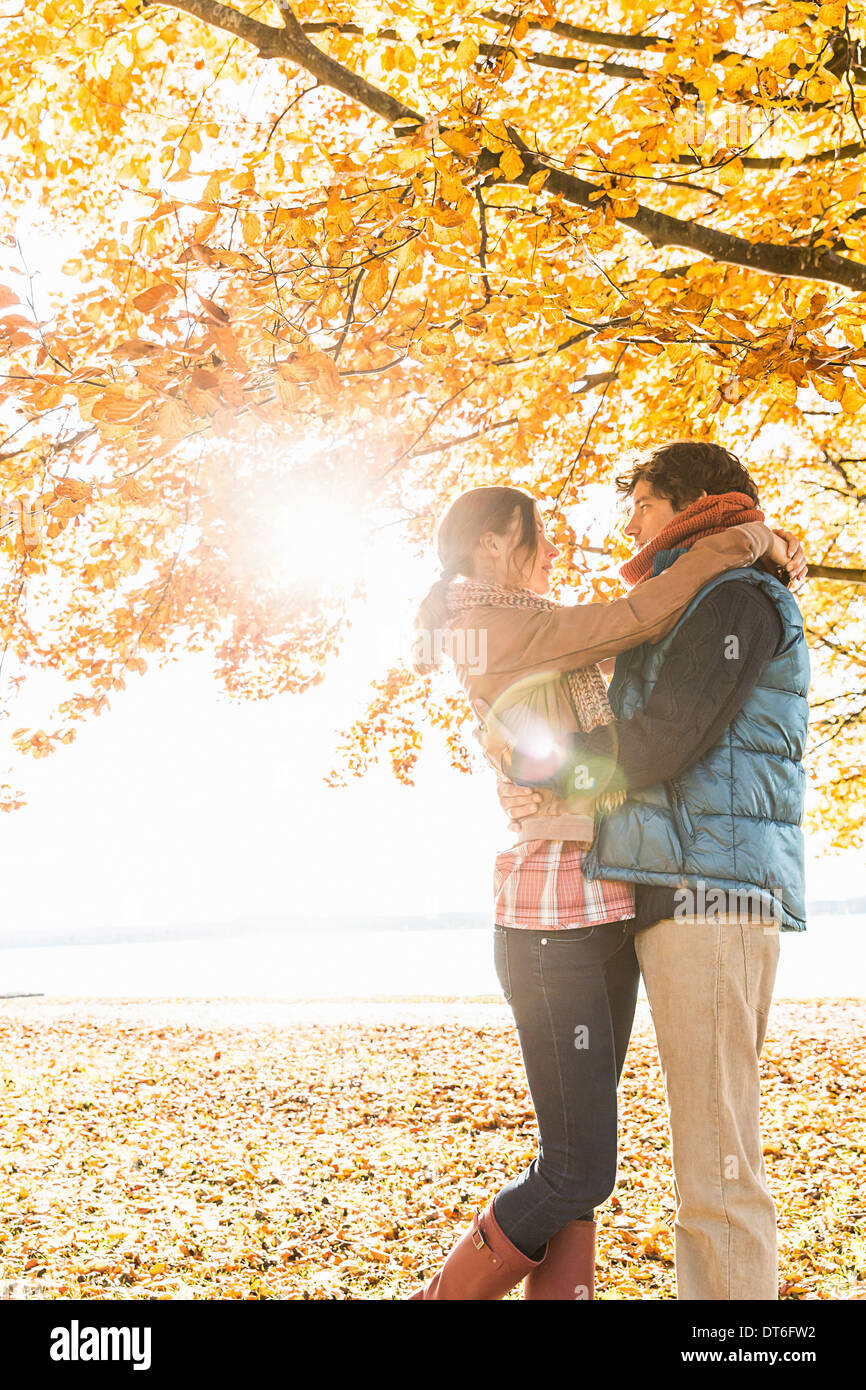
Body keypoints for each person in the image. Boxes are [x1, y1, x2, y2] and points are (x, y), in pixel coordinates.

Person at [406, 480, 803, 1300]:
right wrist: (741, 544)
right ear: (492, 543)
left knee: (580, 1163)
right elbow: (637, 619)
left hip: (600, 905)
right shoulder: (495, 623)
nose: (556, 550)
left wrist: (774, 548)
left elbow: (647, 660)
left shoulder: (538, 630)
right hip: (550, 912)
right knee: (578, 1168)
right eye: (537, 536)